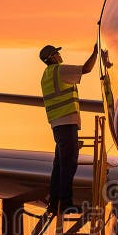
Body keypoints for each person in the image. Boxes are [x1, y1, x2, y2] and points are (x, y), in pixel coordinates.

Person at [39, 43, 99, 213]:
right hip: (66, 123)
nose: (60, 55)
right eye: (57, 53)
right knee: (68, 163)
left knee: (59, 164)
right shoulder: (60, 70)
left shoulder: (46, 75)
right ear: (52, 57)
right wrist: (95, 53)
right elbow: (86, 69)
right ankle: (65, 203)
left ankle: (54, 202)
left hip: (57, 125)